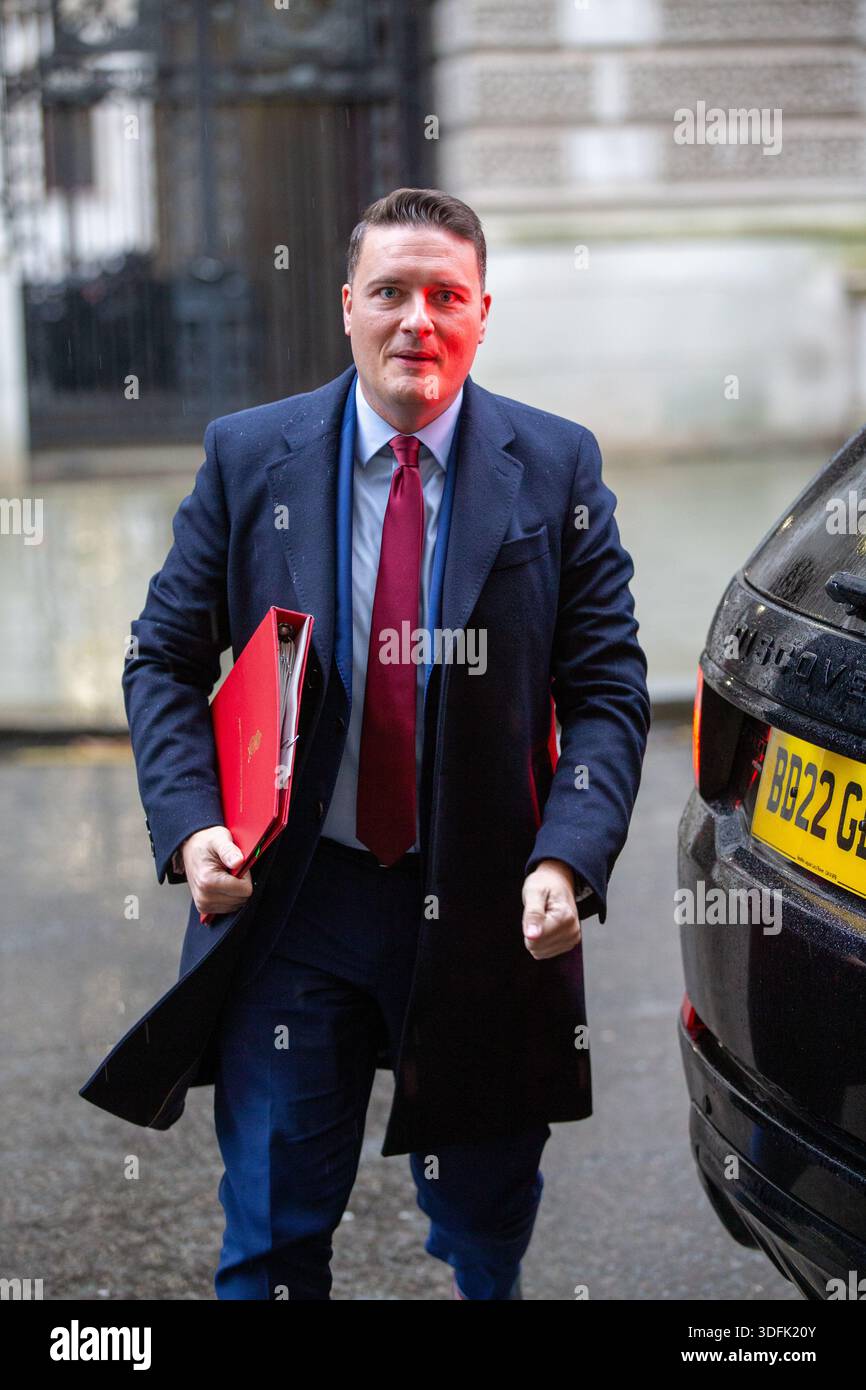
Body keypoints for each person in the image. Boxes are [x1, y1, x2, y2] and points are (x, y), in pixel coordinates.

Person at [82, 187, 650, 1300]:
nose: (415, 321)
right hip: (302, 902)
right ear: (348, 306)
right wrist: (194, 825)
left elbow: (605, 687)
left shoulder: (556, 464)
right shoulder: (250, 459)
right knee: (272, 1237)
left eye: (444, 296)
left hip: (489, 905)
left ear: (483, 312)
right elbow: (161, 660)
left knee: (484, 1231)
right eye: (389, 293)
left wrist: (564, 855)